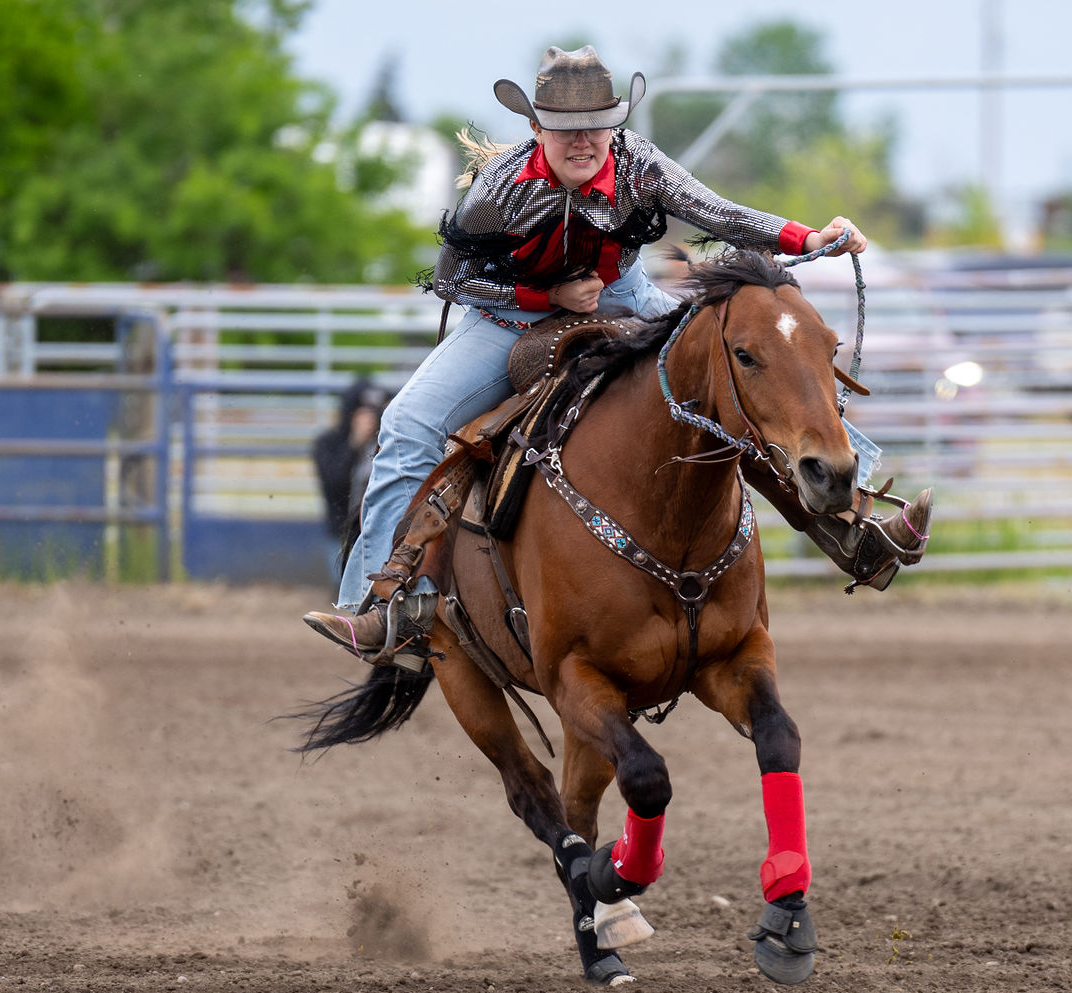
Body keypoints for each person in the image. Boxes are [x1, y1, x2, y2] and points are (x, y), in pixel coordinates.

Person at [305, 45, 904, 660]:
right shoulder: (499, 188)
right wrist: (546, 294)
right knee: (407, 423)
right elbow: (452, 278)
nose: (582, 140)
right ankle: (375, 607)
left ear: (614, 126)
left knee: (731, 369)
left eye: (595, 125)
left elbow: (717, 213)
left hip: (620, 291)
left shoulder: (639, 163)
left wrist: (809, 237)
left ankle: (856, 524)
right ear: (537, 129)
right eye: (564, 128)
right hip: (506, 313)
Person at [311, 379, 388, 598]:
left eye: (374, 412)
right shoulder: (327, 443)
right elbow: (333, 485)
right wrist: (354, 444)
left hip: (383, 532)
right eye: (361, 412)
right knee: (346, 593)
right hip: (342, 533)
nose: (369, 419)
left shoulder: (389, 444)